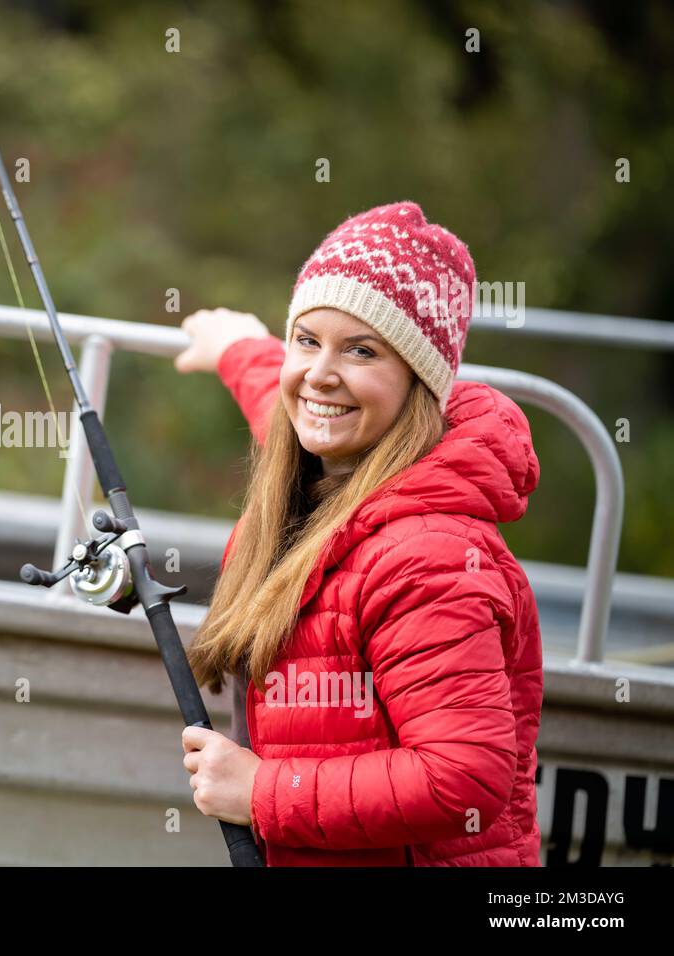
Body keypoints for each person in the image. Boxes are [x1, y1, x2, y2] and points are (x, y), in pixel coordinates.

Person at [173, 201, 543, 866]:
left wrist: (262, 791)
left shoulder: (425, 558)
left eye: (362, 350)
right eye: (307, 339)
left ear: (417, 384)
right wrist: (238, 346)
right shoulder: (333, 460)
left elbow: (465, 779)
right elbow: (291, 398)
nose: (319, 373)